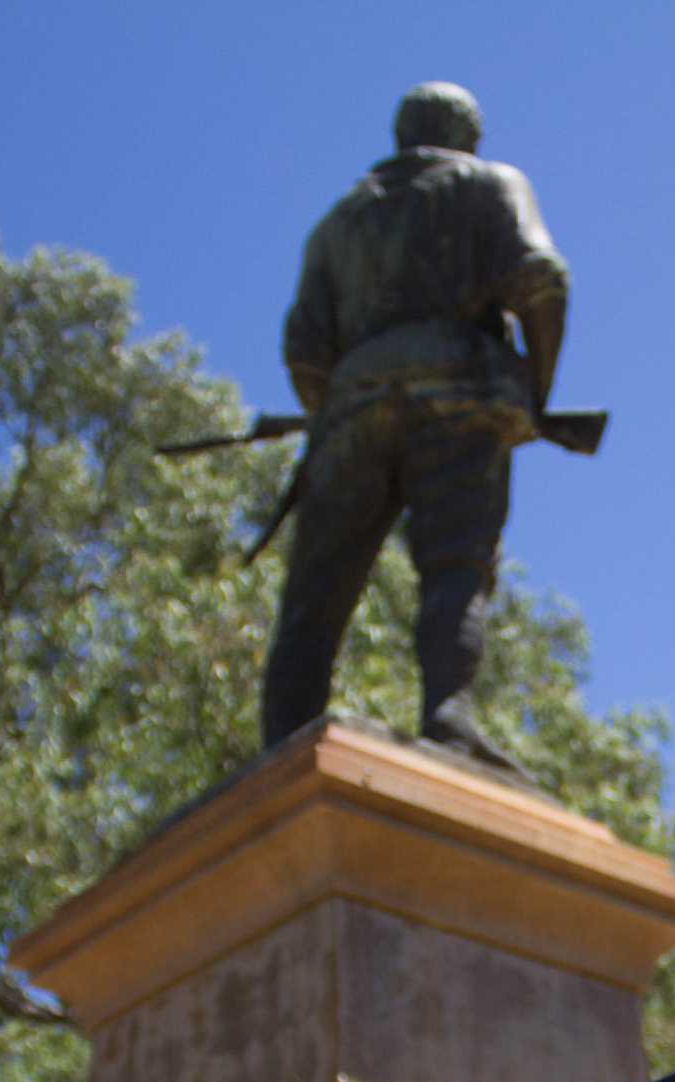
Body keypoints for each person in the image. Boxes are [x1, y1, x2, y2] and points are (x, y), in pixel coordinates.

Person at [259, 80, 568, 780]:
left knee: (316, 586)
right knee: (456, 564)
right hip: (460, 387)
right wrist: (537, 395)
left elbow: (305, 350)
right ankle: (447, 715)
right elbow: (543, 280)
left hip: (351, 406)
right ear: (466, 136)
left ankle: (282, 745)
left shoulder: (338, 222)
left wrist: (338, 405)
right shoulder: (491, 184)